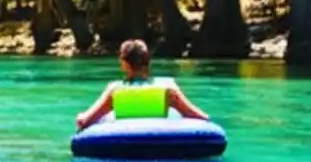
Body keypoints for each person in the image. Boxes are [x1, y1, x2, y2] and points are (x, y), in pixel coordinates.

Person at [75, 39, 210, 130]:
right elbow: (201, 118)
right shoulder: (168, 89)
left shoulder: (114, 91)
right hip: (161, 141)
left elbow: (84, 122)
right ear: (148, 62)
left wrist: (80, 116)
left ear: (124, 64)